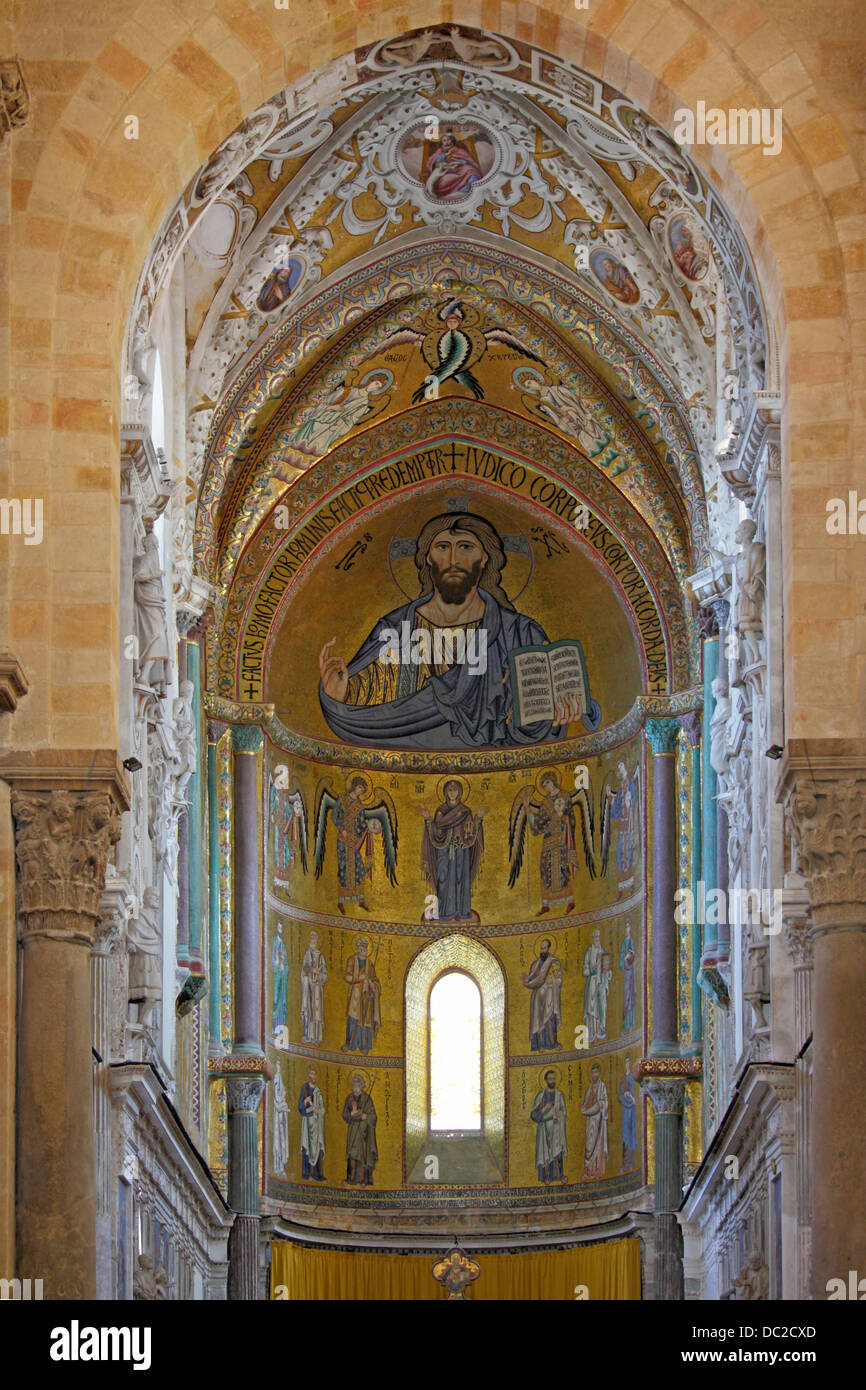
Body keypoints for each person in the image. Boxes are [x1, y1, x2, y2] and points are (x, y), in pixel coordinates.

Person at [319, 512, 584, 749]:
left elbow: (532, 725)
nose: (453, 559)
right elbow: (365, 704)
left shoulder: (519, 634)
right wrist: (337, 696)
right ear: (428, 558)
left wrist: (564, 712)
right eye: (442, 547)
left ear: (484, 558)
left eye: (466, 547)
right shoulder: (395, 630)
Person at [420, 780, 485, 921]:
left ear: (460, 792)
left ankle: (460, 911)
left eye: (455, 790)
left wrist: (478, 819)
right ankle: (445, 911)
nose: (452, 793)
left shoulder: (465, 811)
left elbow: (470, 833)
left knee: (460, 879)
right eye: (450, 790)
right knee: (443, 879)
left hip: (461, 850)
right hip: (444, 851)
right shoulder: (441, 811)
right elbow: (437, 830)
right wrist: (427, 820)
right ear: (445, 793)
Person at [522, 938, 563, 1050]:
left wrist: (552, 981)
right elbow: (532, 979)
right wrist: (527, 981)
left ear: (549, 948)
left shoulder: (554, 962)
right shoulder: (535, 964)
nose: (543, 950)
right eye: (541, 948)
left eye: (545, 948)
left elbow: (559, 980)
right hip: (538, 996)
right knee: (538, 1019)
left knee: (550, 1018)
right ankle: (539, 1045)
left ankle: (552, 1043)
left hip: (550, 994)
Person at [342, 937, 381, 1054]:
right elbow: (347, 976)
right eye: (361, 946)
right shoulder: (352, 960)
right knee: (353, 1019)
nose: (363, 948)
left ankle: (364, 1046)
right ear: (358, 947)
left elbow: (375, 980)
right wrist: (359, 978)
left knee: (365, 1021)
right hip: (355, 995)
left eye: (365, 946)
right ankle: (349, 1044)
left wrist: (373, 985)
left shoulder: (370, 964)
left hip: (366, 996)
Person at [530, 1069, 567, 1182]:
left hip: (556, 1127)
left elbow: (564, 1110)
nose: (552, 1081)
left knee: (557, 1152)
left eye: (554, 1078)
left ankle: (560, 1175)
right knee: (546, 1153)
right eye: (550, 1078)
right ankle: (548, 1177)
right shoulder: (541, 1096)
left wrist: (560, 1113)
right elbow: (533, 1115)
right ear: (546, 1080)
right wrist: (545, 1107)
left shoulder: (559, 1095)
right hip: (544, 1128)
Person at [342, 1074, 378, 1186]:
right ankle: (350, 1178)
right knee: (352, 1154)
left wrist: (365, 1116)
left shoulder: (367, 1099)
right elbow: (345, 1114)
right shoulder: (349, 1098)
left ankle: (363, 1180)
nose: (355, 1085)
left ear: (362, 1085)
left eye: (358, 1083)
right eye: (354, 1083)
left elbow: (373, 1116)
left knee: (362, 1155)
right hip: (353, 1131)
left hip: (363, 1133)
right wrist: (351, 1114)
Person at [583, 927, 612, 1042]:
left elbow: (607, 967)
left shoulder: (602, 950)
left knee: (602, 1007)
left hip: (602, 982)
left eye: (598, 936)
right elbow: (585, 971)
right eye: (595, 936)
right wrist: (595, 966)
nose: (597, 938)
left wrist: (608, 970)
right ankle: (593, 1033)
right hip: (593, 983)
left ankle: (601, 1031)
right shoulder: (589, 952)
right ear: (592, 938)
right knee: (592, 1008)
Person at [581, 1063, 609, 1179]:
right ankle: (589, 1172)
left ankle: (598, 1172)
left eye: (596, 1072)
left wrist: (599, 1106)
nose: (594, 1074)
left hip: (599, 1120)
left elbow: (604, 1102)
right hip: (590, 1121)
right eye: (593, 1072)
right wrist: (584, 1108)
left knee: (598, 1145)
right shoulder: (590, 1087)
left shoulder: (602, 1086)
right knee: (589, 1145)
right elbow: (587, 1103)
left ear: (599, 1073)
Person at [298, 1066, 325, 1181]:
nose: (313, 1076)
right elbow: (300, 1107)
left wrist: (318, 1111)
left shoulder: (318, 1092)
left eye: (315, 1074)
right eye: (311, 1074)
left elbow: (322, 1109)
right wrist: (305, 1102)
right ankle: (307, 1173)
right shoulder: (304, 1088)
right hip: (307, 1122)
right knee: (306, 1146)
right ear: (309, 1075)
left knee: (317, 1146)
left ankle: (317, 1174)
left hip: (316, 1123)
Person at [300, 930, 328, 1044]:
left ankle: (317, 1037)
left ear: (317, 941)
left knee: (316, 1013)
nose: (313, 941)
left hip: (316, 988)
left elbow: (325, 974)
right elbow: (303, 970)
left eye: (315, 939)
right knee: (308, 1011)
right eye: (311, 939)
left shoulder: (320, 956)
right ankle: (308, 1036)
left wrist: (318, 976)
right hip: (308, 988)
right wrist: (310, 970)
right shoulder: (307, 954)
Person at [618, 1055, 637, 1172]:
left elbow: (635, 1092)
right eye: (625, 1063)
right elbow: (620, 1095)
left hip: (632, 1111)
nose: (627, 1065)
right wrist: (624, 1095)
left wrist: (631, 1096)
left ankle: (630, 1163)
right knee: (625, 1136)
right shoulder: (623, 1078)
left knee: (631, 1136)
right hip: (625, 1109)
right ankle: (625, 1162)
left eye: (628, 1062)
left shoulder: (632, 1077)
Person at [272, 920, 289, 1036]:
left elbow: (286, 963)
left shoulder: (283, 944)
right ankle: (274, 1025)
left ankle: (281, 1026)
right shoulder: (274, 941)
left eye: (281, 928)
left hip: (282, 976)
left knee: (282, 1000)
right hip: (276, 976)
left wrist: (284, 967)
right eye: (279, 927)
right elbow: (273, 961)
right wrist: (278, 963)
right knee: (276, 999)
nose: (280, 930)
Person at [272, 1067, 290, 1175]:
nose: (284, 1095)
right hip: (277, 1127)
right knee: (277, 1146)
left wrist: (284, 1109)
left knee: (282, 1147)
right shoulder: (276, 1102)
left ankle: (282, 1167)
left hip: (282, 1128)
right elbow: (278, 1108)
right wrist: (282, 1109)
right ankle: (276, 1167)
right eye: (282, 1093)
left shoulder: (283, 1103)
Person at [620, 923, 637, 1033]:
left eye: (628, 927)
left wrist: (630, 957)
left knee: (631, 996)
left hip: (632, 973)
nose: (627, 929)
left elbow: (634, 955)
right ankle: (626, 1024)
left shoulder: (632, 942)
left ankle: (631, 1024)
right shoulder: (623, 944)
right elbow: (621, 960)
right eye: (625, 927)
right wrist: (624, 960)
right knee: (626, 997)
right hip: (626, 974)